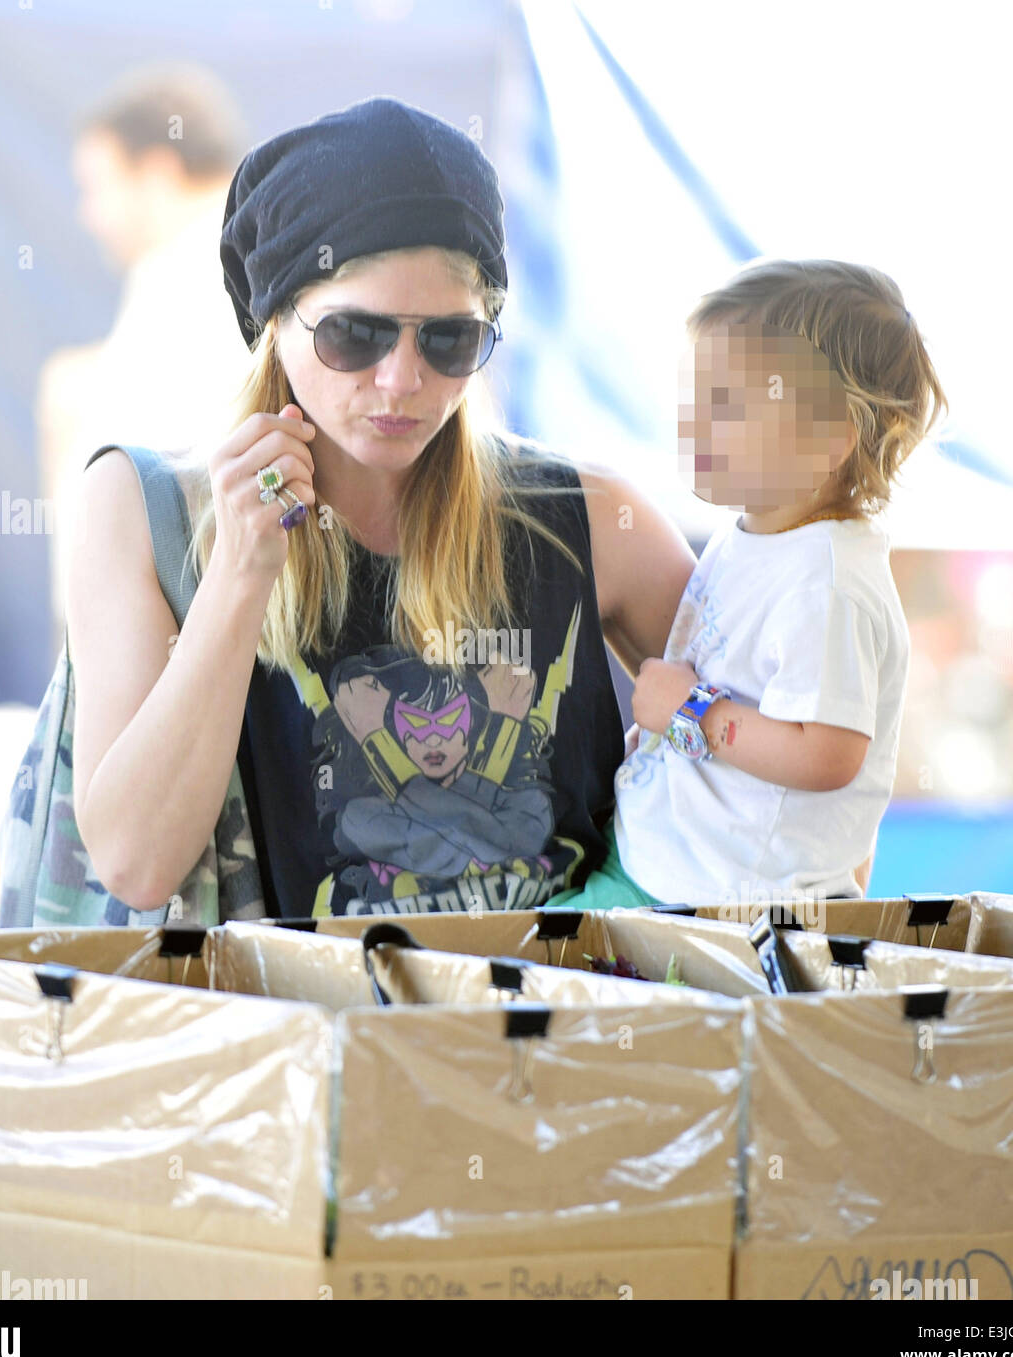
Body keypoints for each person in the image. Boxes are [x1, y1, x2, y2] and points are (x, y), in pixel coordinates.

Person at [65, 96, 695, 920]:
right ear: (274, 324)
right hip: (303, 1037)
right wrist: (239, 576)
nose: (401, 382)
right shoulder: (144, 508)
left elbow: (797, 733)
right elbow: (135, 866)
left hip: (548, 1032)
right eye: (354, 337)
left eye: (448, 341)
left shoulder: (587, 518)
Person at [547, 260, 948, 910]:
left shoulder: (828, 581)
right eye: (697, 396)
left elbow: (826, 754)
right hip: (668, 860)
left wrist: (693, 713)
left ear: (829, 441)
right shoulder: (755, 538)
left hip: (718, 896)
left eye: (728, 405)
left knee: (525, 968)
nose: (695, 422)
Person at [39, 63, 251, 639]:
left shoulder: (199, 275)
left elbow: (157, 476)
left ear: (157, 173)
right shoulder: (202, 266)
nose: (90, 215)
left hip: (164, 644)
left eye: (97, 188)